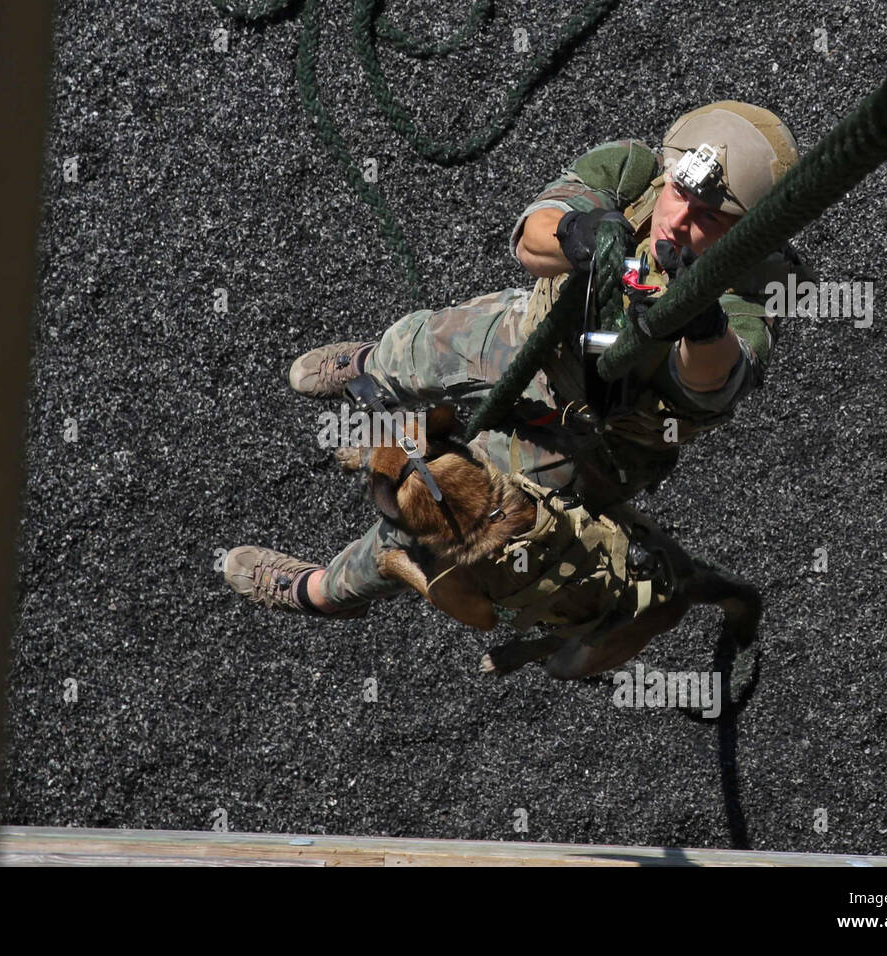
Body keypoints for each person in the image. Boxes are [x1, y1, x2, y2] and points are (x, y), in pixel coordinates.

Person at [224, 101, 811, 618]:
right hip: (534, 339)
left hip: (596, 434)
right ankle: (368, 368)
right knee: (411, 346)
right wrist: (578, 233)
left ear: (749, 229)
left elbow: (711, 386)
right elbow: (531, 239)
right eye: (680, 194)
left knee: (439, 522)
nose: (678, 221)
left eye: (709, 218)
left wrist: (702, 325)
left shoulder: (761, 280)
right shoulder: (634, 171)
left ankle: (321, 591)